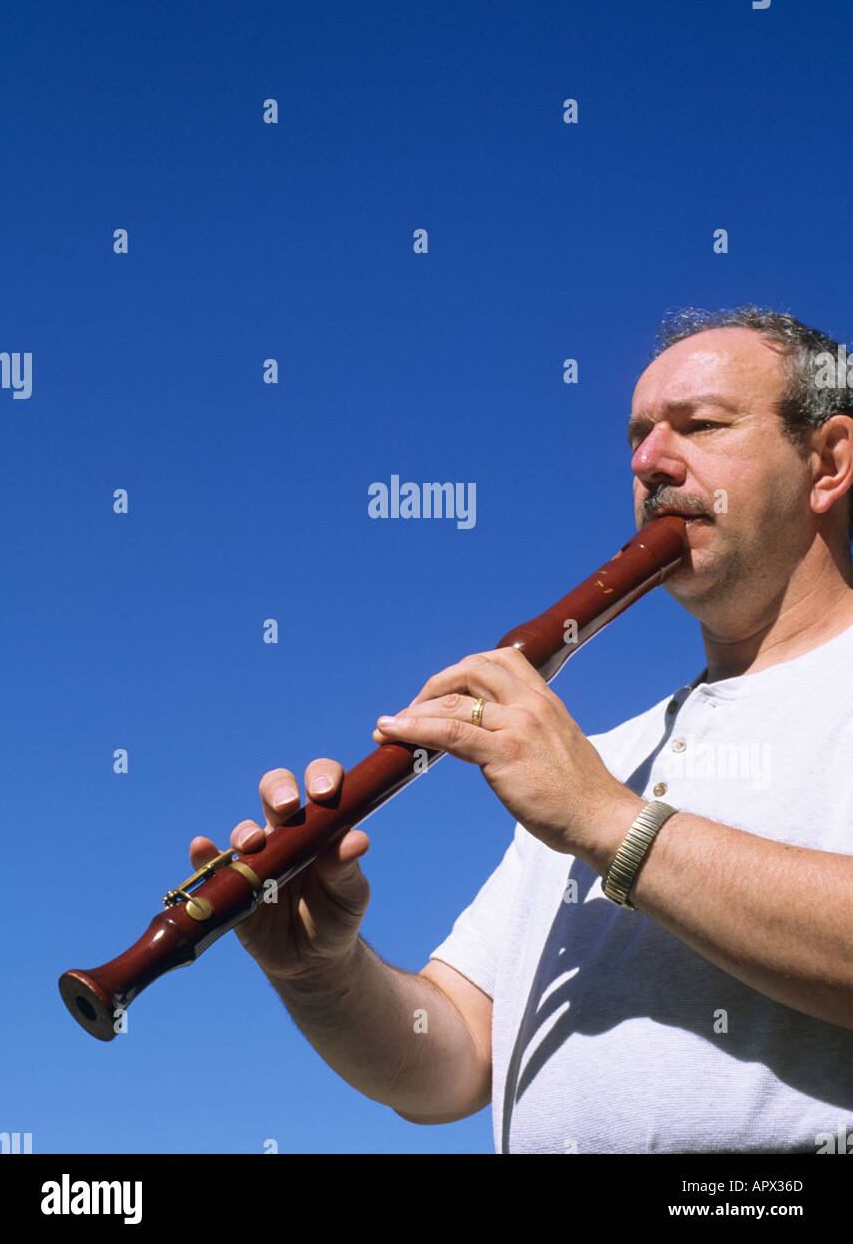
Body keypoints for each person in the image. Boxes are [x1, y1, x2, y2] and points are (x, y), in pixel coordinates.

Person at [191, 305, 853, 1153]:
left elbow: (605, 820)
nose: (649, 462)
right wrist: (319, 972)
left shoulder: (584, 787)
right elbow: (456, 1059)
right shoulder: (603, 759)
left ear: (827, 463)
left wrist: (609, 822)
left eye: (701, 425)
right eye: (639, 437)